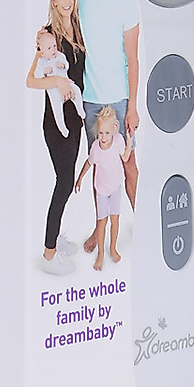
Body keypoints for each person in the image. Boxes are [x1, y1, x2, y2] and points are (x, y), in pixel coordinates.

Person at [77, 0, 140, 254]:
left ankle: (143, 223)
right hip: (91, 98)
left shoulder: (126, 3)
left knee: (128, 165)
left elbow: (133, 59)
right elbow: (64, 30)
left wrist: (133, 106)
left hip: (119, 99)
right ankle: (98, 231)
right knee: (101, 166)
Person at [26, 0, 87, 275]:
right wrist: (58, 81)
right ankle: (49, 253)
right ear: (53, 1)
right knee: (64, 182)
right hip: (55, 123)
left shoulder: (78, 29)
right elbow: (31, 80)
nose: (67, 1)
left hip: (75, 120)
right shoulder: (47, 35)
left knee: (66, 179)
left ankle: (56, 236)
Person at [74, 107, 133, 271]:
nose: (103, 137)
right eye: (100, 133)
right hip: (101, 189)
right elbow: (88, 163)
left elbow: (125, 157)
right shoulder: (96, 148)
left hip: (115, 187)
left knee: (115, 219)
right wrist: (79, 179)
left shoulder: (118, 141)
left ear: (114, 130)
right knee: (102, 222)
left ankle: (112, 248)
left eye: (107, 133)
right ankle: (100, 254)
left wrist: (129, 140)